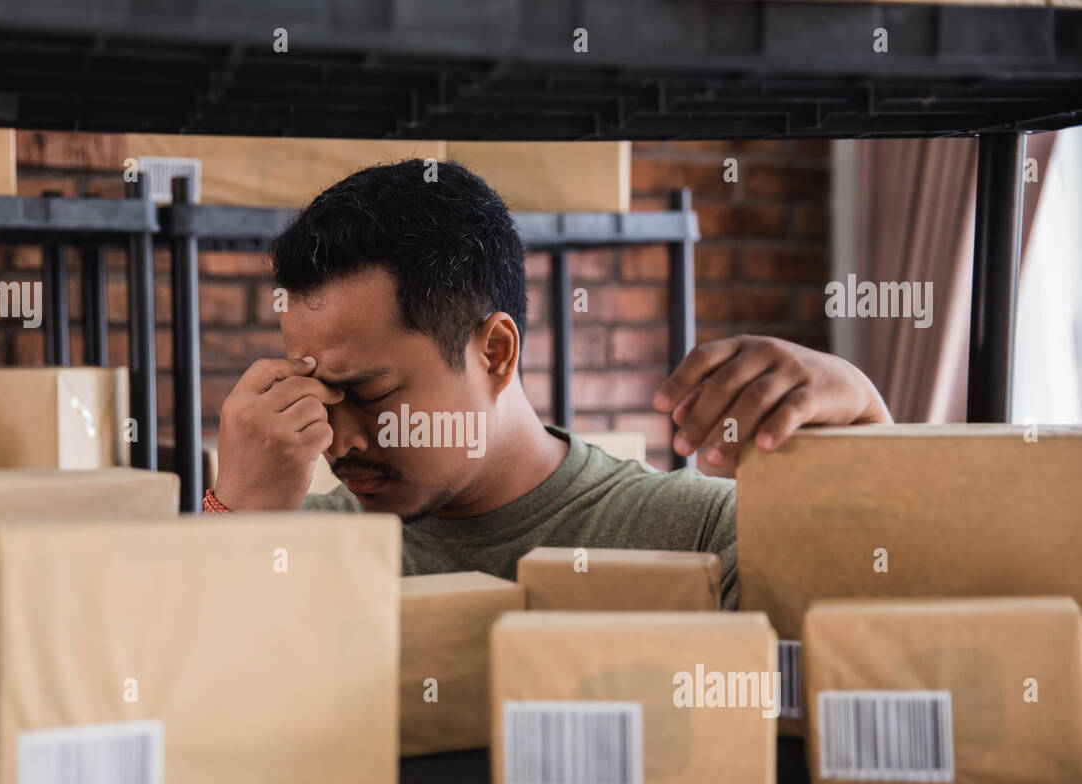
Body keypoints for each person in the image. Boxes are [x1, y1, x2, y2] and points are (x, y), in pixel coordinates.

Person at [206, 160, 891, 608]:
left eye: (371, 393)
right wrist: (235, 517)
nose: (338, 438)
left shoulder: (696, 533)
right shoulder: (293, 546)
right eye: (318, 395)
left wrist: (866, 428)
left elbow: (881, 636)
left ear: (496, 352)